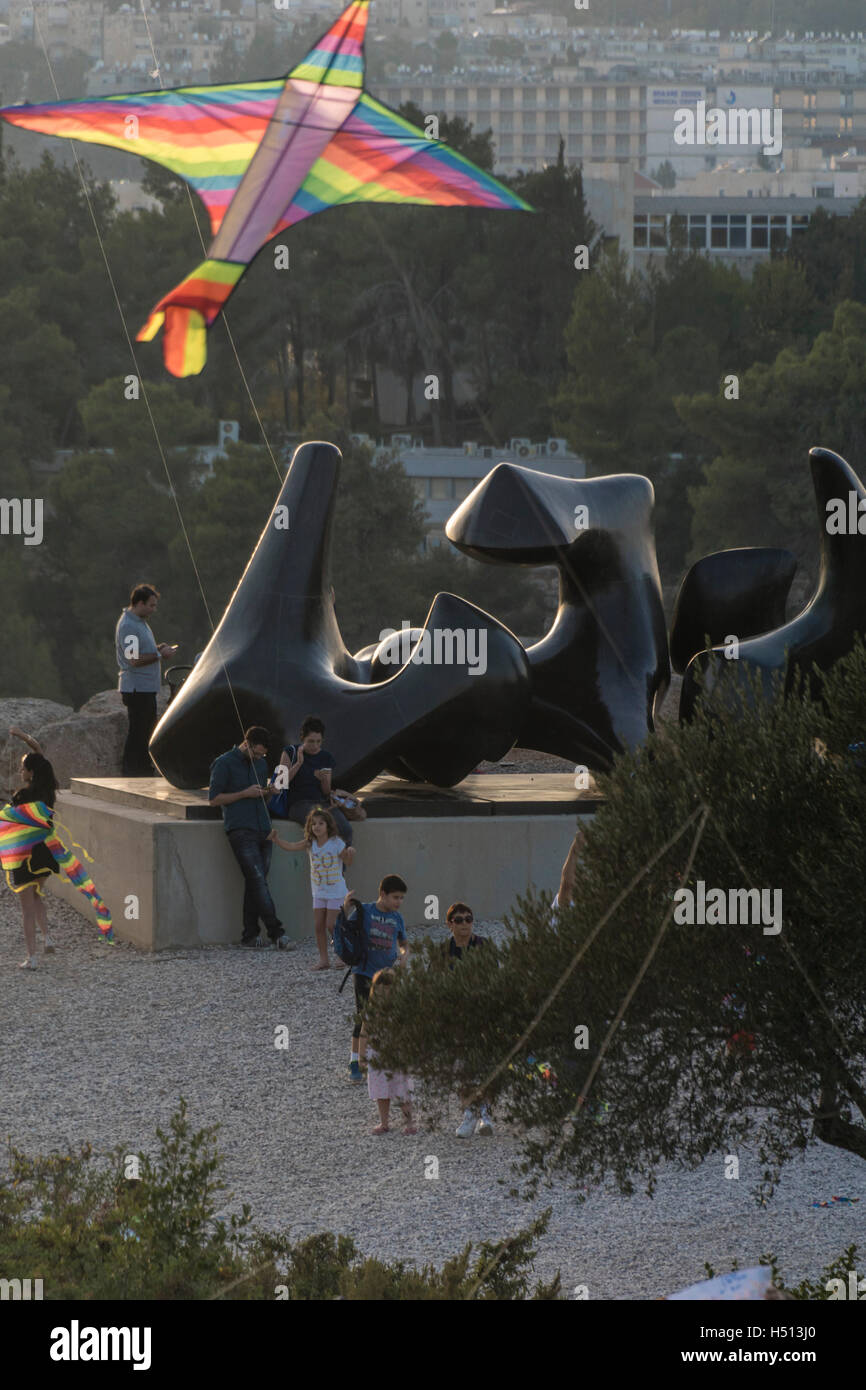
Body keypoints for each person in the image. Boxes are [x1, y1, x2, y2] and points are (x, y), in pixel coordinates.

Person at [1, 728, 114, 965]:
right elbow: (40, 757)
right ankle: (48, 938)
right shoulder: (48, 792)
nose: (20, 771)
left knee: (27, 908)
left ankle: (31, 957)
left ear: (31, 773)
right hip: (46, 855)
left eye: (23, 769)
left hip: (25, 856)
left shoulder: (22, 796)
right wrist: (24, 738)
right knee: (37, 896)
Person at [209, 726, 291, 950]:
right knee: (257, 880)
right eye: (256, 753)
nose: (259, 758)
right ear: (246, 743)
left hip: (263, 828)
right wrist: (244, 793)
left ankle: (250, 934)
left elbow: (259, 796)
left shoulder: (262, 763)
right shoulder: (224, 763)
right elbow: (214, 798)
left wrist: (268, 792)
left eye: (262, 755)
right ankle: (277, 932)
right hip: (240, 829)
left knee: (256, 883)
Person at [270, 806, 355, 970]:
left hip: (336, 892)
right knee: (318, 926)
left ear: (328, 825)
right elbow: (292, 846)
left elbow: (348, 862)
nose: (317, 826)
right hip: (319, 892)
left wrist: (350, 853)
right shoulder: (311, 843)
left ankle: (342, 955)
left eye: (321, 823)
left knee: (332, 925)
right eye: (314, 823)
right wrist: (277, 840)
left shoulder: (336, 843)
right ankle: (324, 959)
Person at [342, 874, 407, 1082]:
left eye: (401, 898)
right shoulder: (366, 912)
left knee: (384, 1016)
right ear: (383, 894)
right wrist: (344, 909)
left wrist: (404, 957)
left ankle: (377, 1059)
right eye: (395, 897)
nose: (399, 902)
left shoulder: (397, 919)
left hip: (386, 975)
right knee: (363, 1015)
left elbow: (404, 943)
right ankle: (356, 1061)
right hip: (363, 971)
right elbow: (344, 929)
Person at [115, 584, 178, 777]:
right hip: (136, 688)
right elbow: (133, 659)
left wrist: (158, 648)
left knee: (146, 728)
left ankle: (141, 767)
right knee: (138, 730)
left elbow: (141, 651)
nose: (154, 609)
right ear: (140, 603)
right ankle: (133, 770)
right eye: (151, 605)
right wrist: (160, 655)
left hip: (146, 688)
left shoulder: (140, 622)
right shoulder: (129, 626)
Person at [443, 903, 494, 1139]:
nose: (465, 924)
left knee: (483, 1067)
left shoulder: (484, 946)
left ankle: (485, 1113)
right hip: (455, 1017)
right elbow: (434, 983)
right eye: (459, 919)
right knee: (461, 1069)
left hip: (482, 1014)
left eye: (469, 919)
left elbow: (495, 978)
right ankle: (470, 1113)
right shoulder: (443, 951)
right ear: (450, 923)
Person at [276, 715, 354, 846]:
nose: (315, 746)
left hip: (321, 802)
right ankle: (322, 864)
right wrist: (299, 763)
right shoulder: (290, 752)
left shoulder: (325, 757)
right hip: (298, 803)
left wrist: (324, 780)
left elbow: (326, 791)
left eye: (319, 741)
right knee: (321, 829)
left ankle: (337, 866)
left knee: (345, 830)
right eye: (311, 741)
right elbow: (280, 783)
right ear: (302, 738)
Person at [361, 968, 417, 1135]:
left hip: (398, 1056)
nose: (385, 992)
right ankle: (384, 1122)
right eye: (381, 988)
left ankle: (409, 1122)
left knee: (403, 1090)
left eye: (389, 988)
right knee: (381, 1092)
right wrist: (361, 1057)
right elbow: (363, 1034)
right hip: (377, 1057)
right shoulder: (370, 1012)